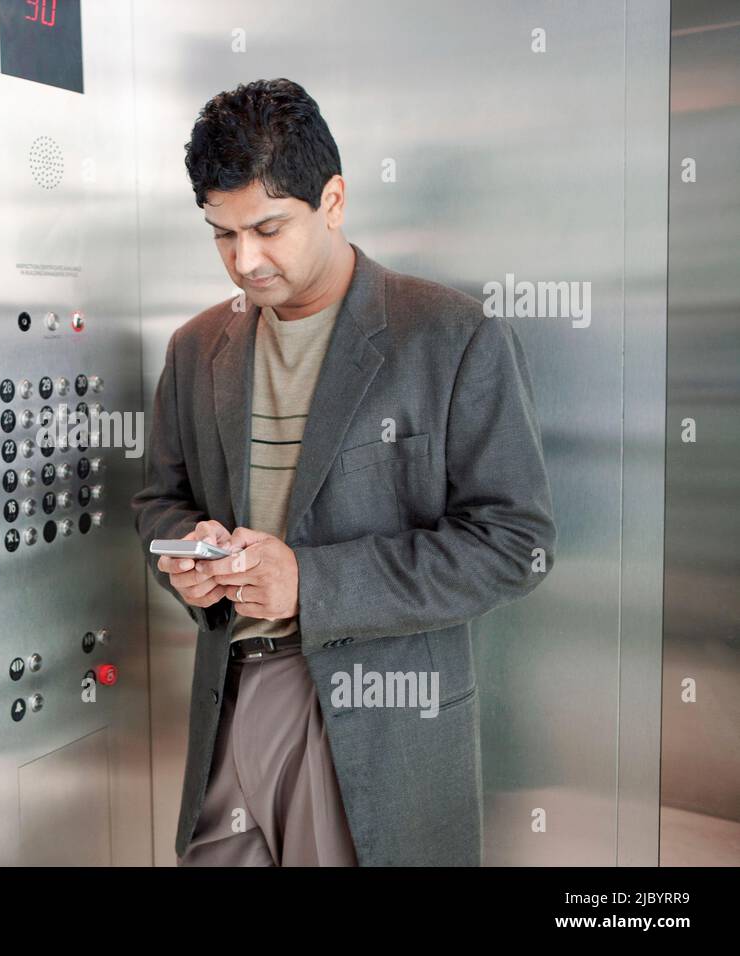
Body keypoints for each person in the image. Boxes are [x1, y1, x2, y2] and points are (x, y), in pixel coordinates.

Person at [132, 79, 557, 866]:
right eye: (221, 234)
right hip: (225, 701)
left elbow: (513, 543)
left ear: (332, 200)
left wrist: (313, 585)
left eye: (267, 228)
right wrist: (183, 555)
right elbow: (160, 500)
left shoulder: (451, 336)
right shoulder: (196, 349)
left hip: (373, 716)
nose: (244, 261)